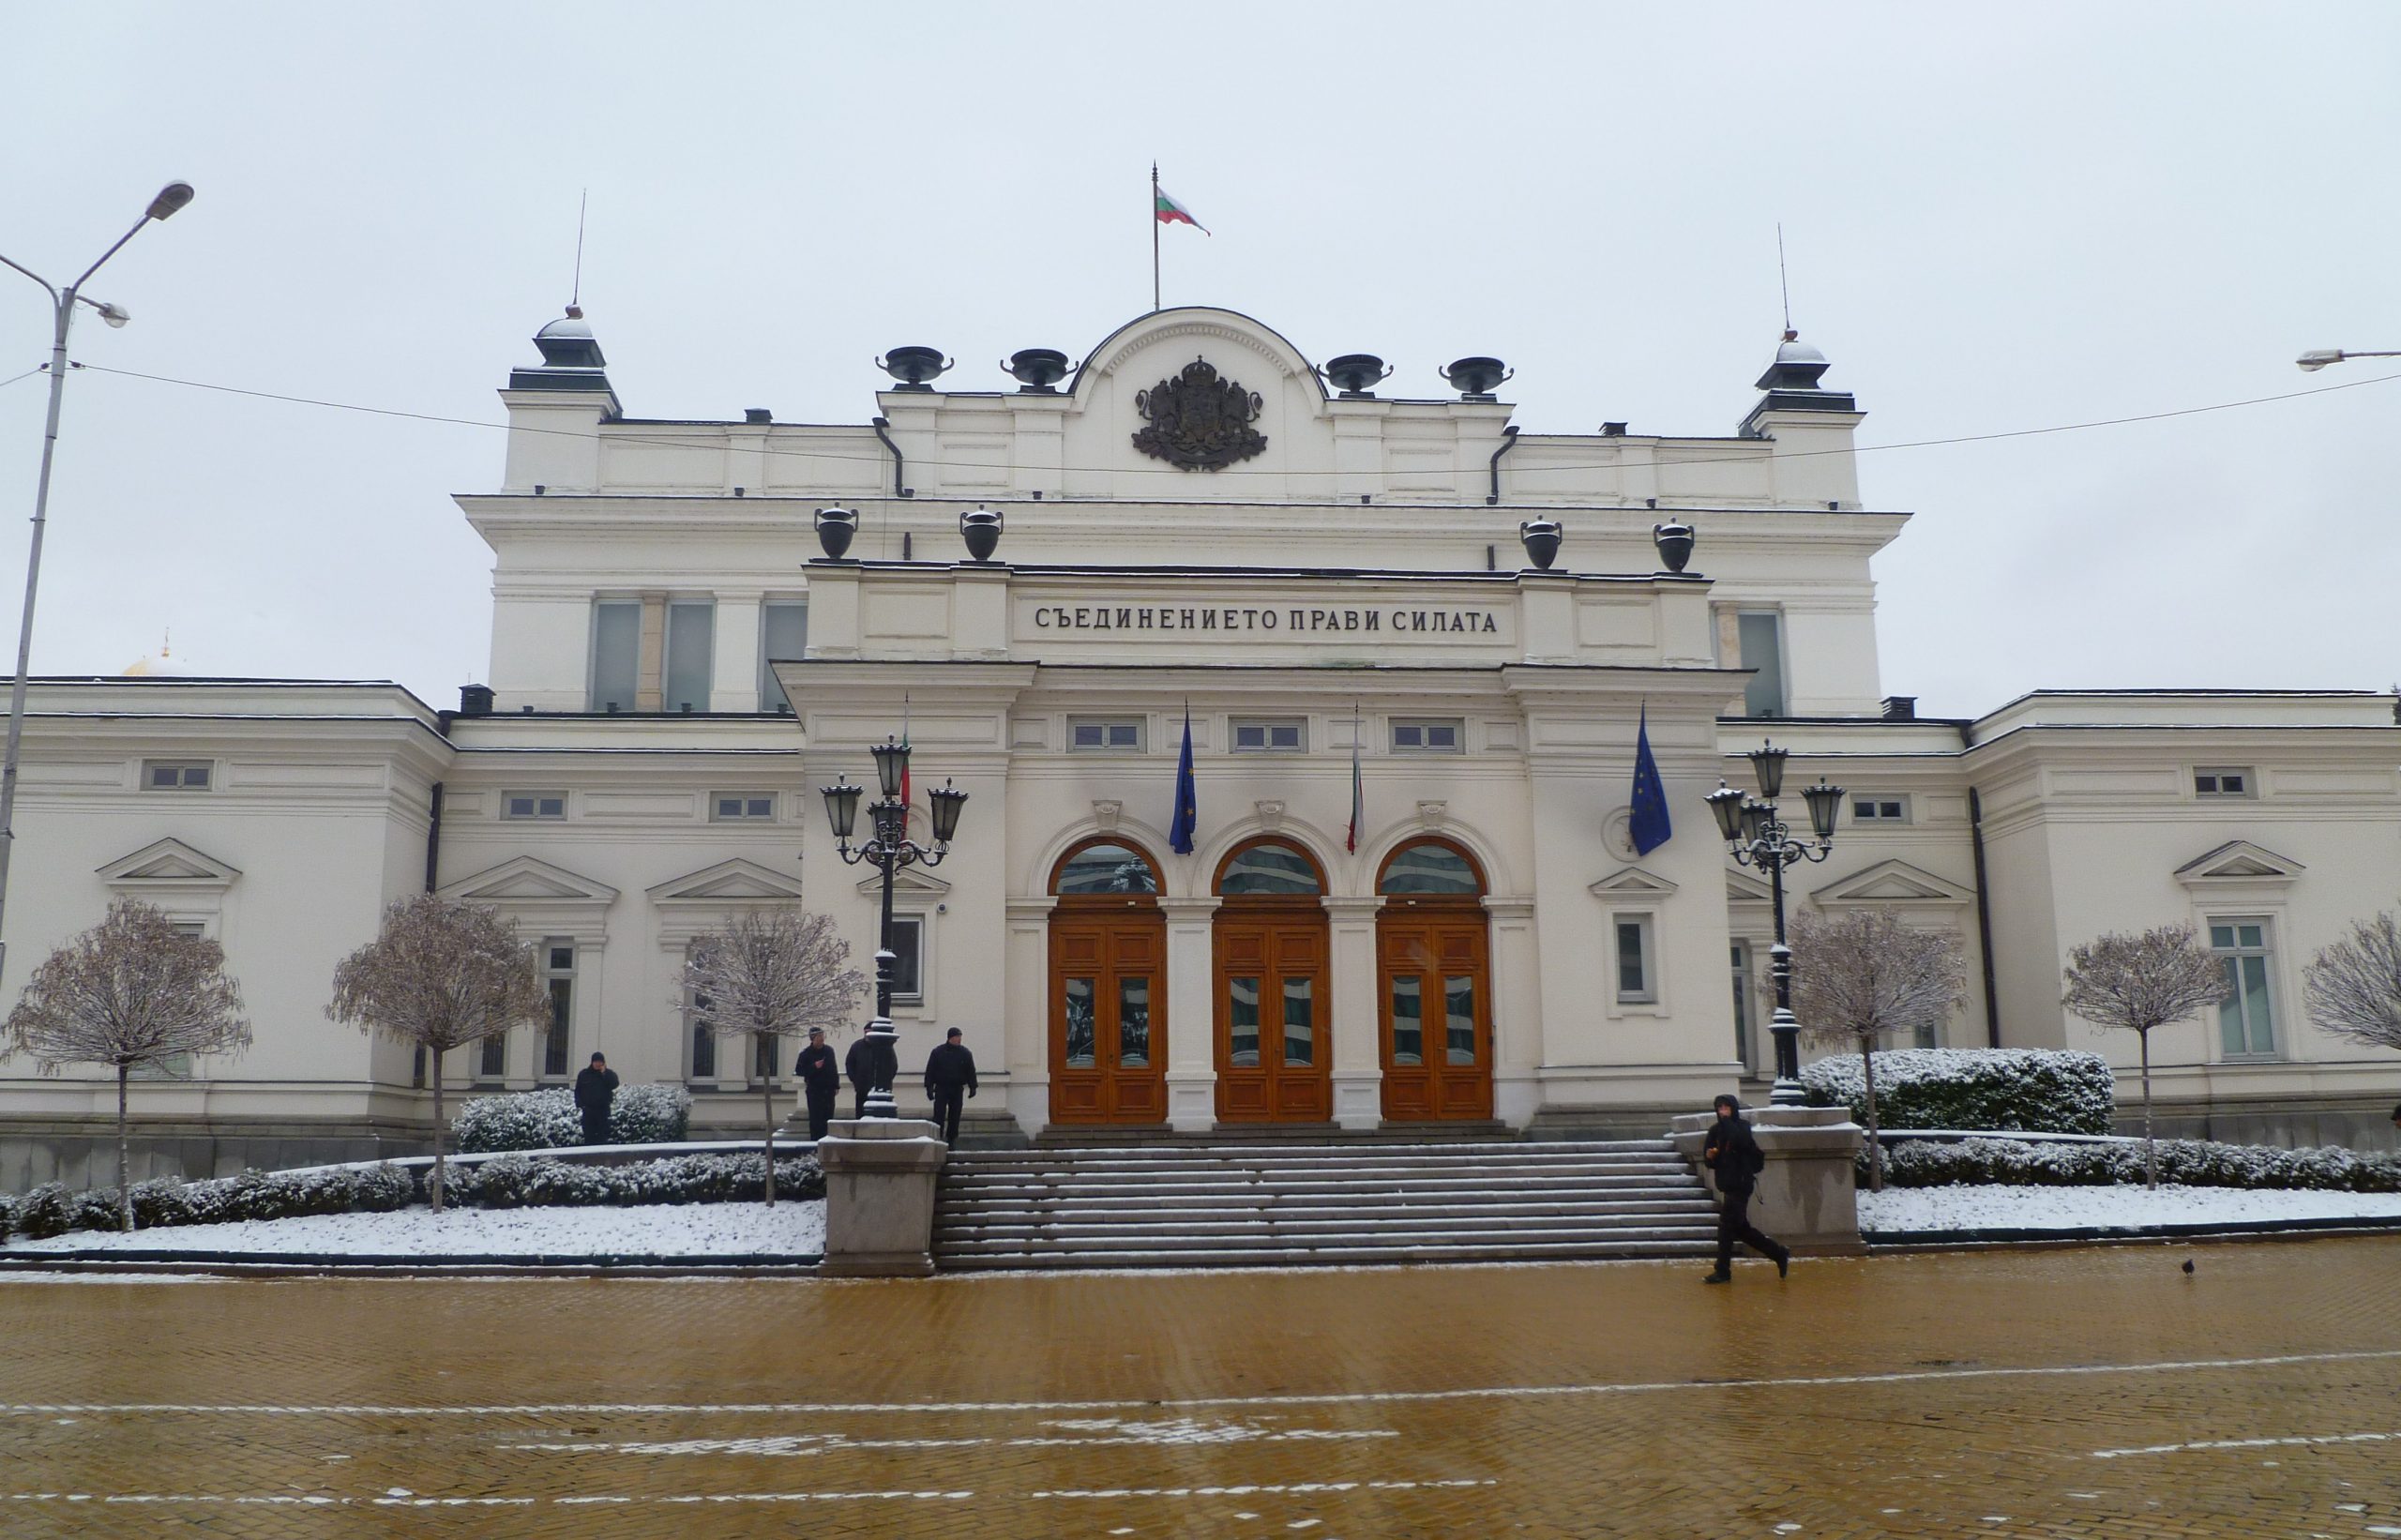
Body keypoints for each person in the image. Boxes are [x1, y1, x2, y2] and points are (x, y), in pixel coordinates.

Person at [1699, 1093, 1789, 1284]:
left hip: (1741, 1183)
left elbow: (1740, 1141)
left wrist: (1727, 1122)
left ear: (1733, 1109)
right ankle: (1778, 1253)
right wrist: (1710, 1157)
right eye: (1720, 1108)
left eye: (1726, 1107)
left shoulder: (1742, 1126)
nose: (1723, 1111)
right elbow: (1709, 1161)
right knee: (1740, 1229)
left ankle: (1722, 1270)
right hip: (1727, 1184)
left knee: (1726, 1227)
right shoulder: (1715, 1131)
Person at [923, 1027, 978, 1145]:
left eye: (960, 1037)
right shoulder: (938, 1052)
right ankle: (937, 1137)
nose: (959, 1039)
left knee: (955, 1115)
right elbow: (930, 1070)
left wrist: (973, 1087)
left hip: (957, 1088)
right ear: (950, 1038)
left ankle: (951, 1139)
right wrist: (929, 1087)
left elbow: (970, 1071)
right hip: (941, 1088)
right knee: (939, 1114)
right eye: (957, 1037)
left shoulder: (965, 1053)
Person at [796, 1027, 840, 1140]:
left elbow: (833, 1068)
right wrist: (814, 1067)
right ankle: (815, 1141)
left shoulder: (829, 1051)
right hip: (814, 1091)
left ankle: (828, 1140)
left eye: (822, 1036)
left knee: (828, 1117)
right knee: (815, 1118)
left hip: (828, 1090)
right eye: (819, 1036)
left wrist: (836, 1085)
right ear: (813, 1038)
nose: (822, 1039)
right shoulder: (806, 1054)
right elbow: (799, 1071)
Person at [572, 1052, 619, 1145]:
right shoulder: (584, 1074)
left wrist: (604, 1073)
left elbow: (614, 1084)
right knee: (589, 1137)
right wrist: (580, 1104)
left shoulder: (609, 1074)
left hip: (603, 1110)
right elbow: (578, 1090)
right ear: (592, 1062)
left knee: (603, 1137)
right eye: (596, 1062)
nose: (598, 1064)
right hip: (588, 1111)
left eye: (600, 1062)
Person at [843, 1030, 876, 1120]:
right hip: (861, 1088)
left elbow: (891, 1065)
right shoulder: (857, 1046)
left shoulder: (882, 1046)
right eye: (866, 1032)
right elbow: (849, 1063)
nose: (867, 1035)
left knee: (875, 1115)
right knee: (861, 1115)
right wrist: (854, 1079)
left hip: (877, 1089)